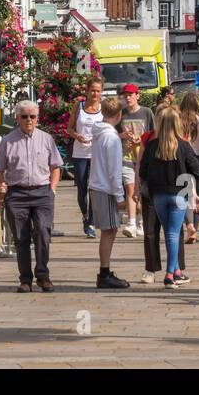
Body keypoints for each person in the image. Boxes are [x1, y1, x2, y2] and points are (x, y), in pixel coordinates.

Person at [0, 99, 63, 293]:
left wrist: (53, 188)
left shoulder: (46, 139)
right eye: (24, 116)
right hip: (17, 194)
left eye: (32, 116)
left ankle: (43, 275)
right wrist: (1, 185)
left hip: (42, 192)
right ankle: (25, 279)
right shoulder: (7, 141)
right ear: (17, 118)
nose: (29, 120)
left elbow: (56, 166)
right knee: (21, 238)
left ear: (37, 118)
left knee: (42, 232)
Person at [140, 107, 199, 289]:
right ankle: (169, 275)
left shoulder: (152, 146)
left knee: (169, 234)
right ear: (177, 124)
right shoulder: (183, 145)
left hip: (158, 195)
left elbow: (143, 171)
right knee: (173, 234)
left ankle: (176, 272)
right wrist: (195, 191)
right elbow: (196, 168)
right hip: (178, 195)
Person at [88, 96, 131, 289]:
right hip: (105, 187)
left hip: (98, 184)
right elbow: (114, 170)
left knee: (109, 229)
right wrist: (120, 196)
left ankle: (105, 271)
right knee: (109, 230)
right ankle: (104, 272)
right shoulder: (111, 137)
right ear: (119, 115)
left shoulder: (99, 132)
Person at [66, 75, 104, 238]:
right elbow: (69, 129)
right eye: (92, 91)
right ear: (87, 91)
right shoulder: (78, 106)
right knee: (82, 188)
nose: (95, 94)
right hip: (80, 153)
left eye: (98, 91)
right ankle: (85, 217)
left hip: (97, 153)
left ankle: (92, 223)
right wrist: (77, 136)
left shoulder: (103, 108)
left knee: (95, 188)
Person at [117, 84, 152, 238]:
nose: (128, 97)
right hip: (126, 157)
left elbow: (153, 133)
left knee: (142, 192)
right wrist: (122, 136)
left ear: (138, 95)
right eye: (125, 95)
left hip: (144, 158)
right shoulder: (121, 114)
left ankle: (141, 221)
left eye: (131, 94)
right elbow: (114, 133)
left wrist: (141, 138)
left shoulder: (147, 112)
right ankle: (131, 223)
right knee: (130, 189)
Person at [178, 91, 199, 245]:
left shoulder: (178, 121)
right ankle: (195, 229)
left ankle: (188, 226)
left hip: (183, 159)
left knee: (185, 195)